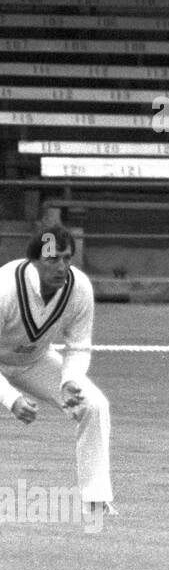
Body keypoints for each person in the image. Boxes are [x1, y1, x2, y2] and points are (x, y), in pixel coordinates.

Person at [0, 226, 114, 529]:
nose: (62, 267)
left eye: (67, 259)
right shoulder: (5, 287)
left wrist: (70, 380)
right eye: (53, 260)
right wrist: (11, 400)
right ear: (34, 261)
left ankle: (96, 501)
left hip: (32, 362)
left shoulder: (80, 288)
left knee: (94, 404)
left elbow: (78, 347)